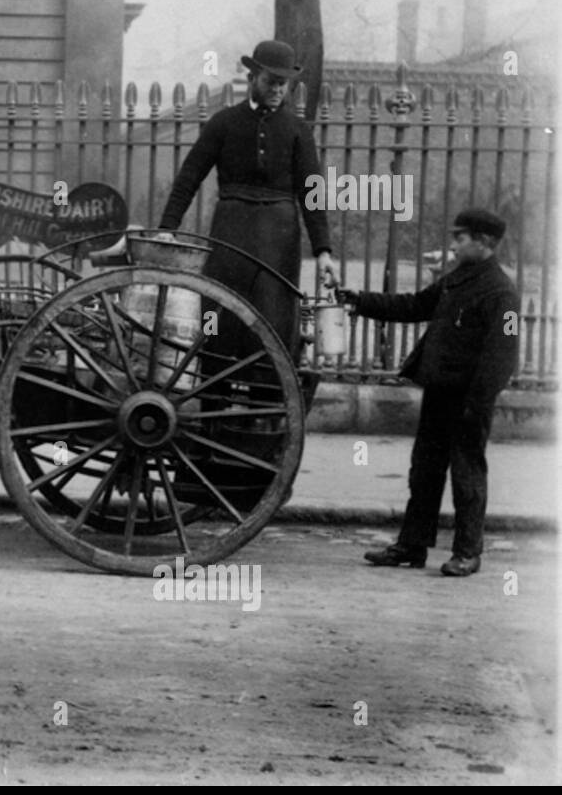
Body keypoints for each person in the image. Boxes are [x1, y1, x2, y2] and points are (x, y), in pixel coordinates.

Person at [338, 208, 520, 577]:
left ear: (483, 243)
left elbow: (502, 358)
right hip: (440, 393)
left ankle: (468, 552)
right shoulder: (458, 279)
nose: (452, 246)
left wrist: (477, 403)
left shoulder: (502, 292)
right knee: (424, 471)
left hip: (469, 401)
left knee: (467, 474)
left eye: (460, 238)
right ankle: (413, 545)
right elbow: (415, 304)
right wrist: (359, 300)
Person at [156, 39, 340, 359]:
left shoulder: (298, 130)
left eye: (284, 84)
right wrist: (167, 227)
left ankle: (268, 402)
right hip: (230, 234)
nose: (278, 90)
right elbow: (189, 178)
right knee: (218, 314)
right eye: (271, 82)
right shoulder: (223, 123)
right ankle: (215, 393)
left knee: (274, 319)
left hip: (279, 240)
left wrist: (323, 251)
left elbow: (312, 193)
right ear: (252, 77)